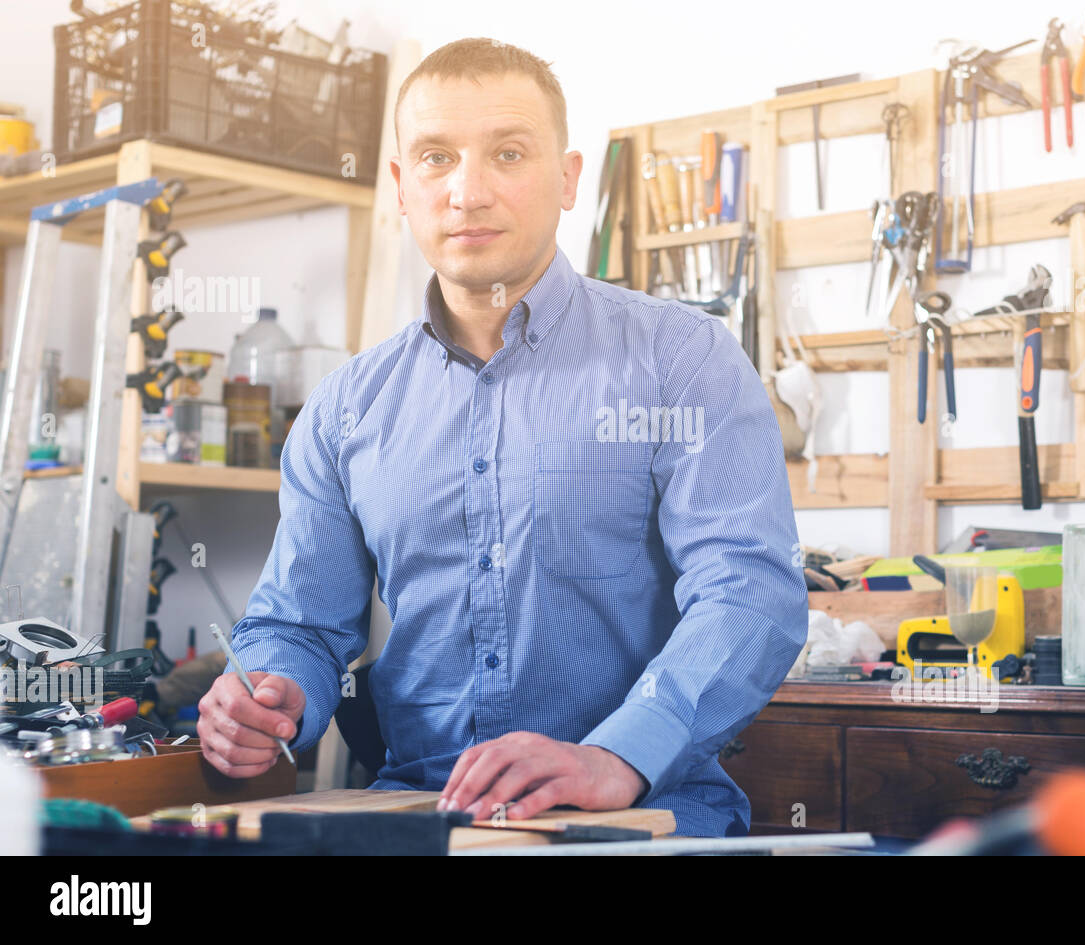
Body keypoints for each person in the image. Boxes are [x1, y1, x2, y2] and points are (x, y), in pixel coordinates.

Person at [197, 37, 807, 837]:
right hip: (415, 815)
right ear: (401, 187)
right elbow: (300, 626)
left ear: (567, 180)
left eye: (508, 153)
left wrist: (614, 756)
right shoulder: (345, 408)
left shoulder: (679, 361)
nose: (468, 191)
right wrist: (269, 696)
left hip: (642, 815)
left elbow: (750, 590)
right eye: (436, 158)